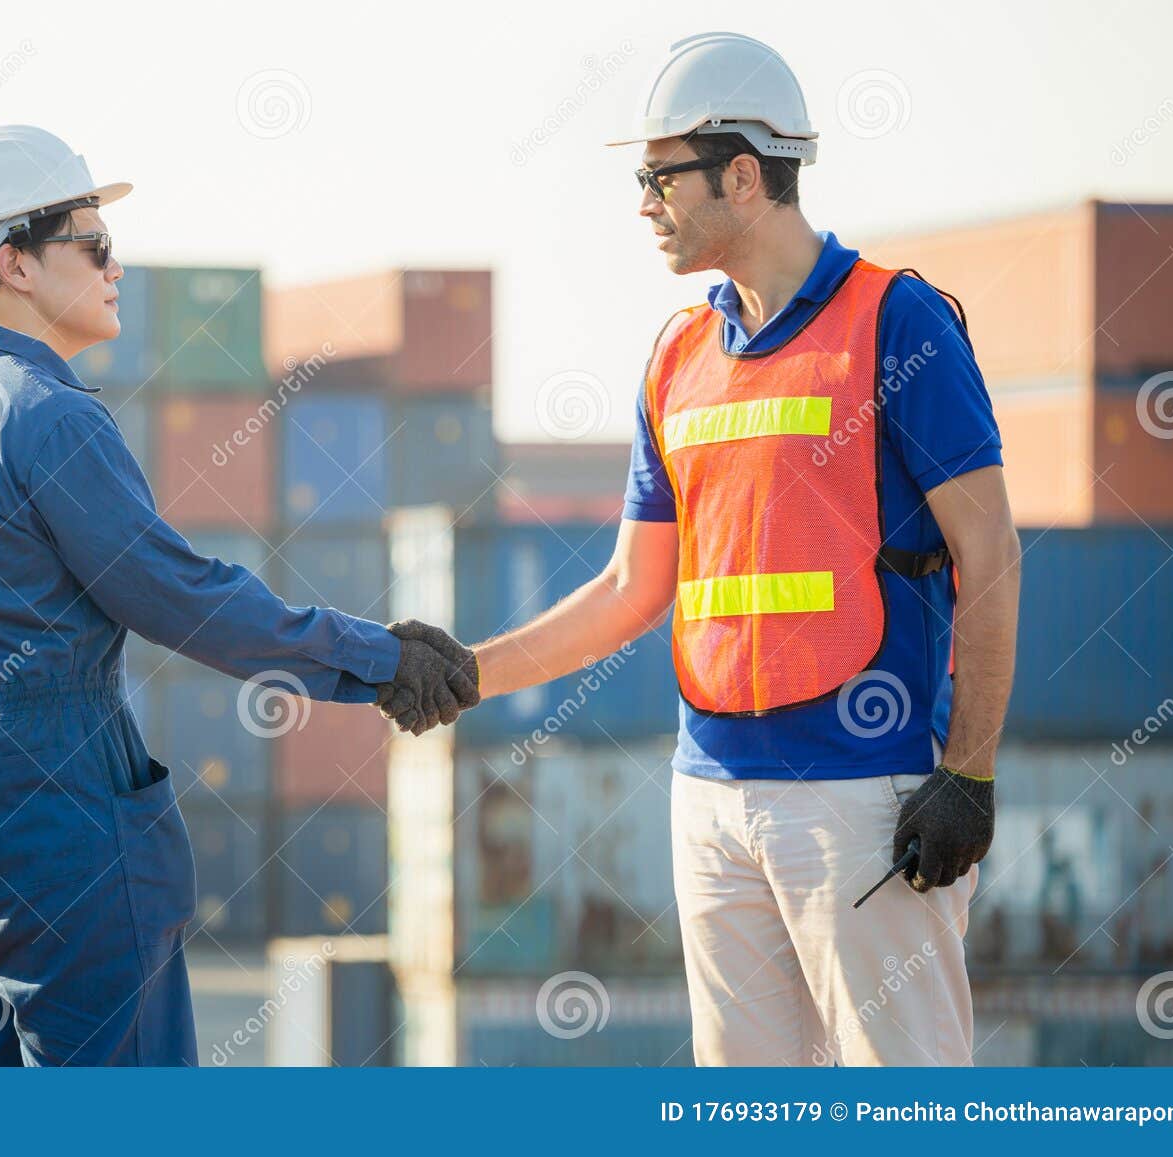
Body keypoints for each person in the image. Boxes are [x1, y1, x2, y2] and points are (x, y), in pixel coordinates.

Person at [435, 33, 1020, 1065]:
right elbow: (628, 589)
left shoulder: (894, 322)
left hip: (865, 786)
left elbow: (991, 549)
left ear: (742, 175)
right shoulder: (676, 356)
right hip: (707, 792)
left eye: (660, 175)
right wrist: (465, 672)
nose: (643, 200)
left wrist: (966, 773)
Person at [0, 125, 477, 1066]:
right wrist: (379, 659)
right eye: (94, 245)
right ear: (16, 262)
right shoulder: (51, 417)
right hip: (57, 806)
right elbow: (181, 598)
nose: (118, 267)